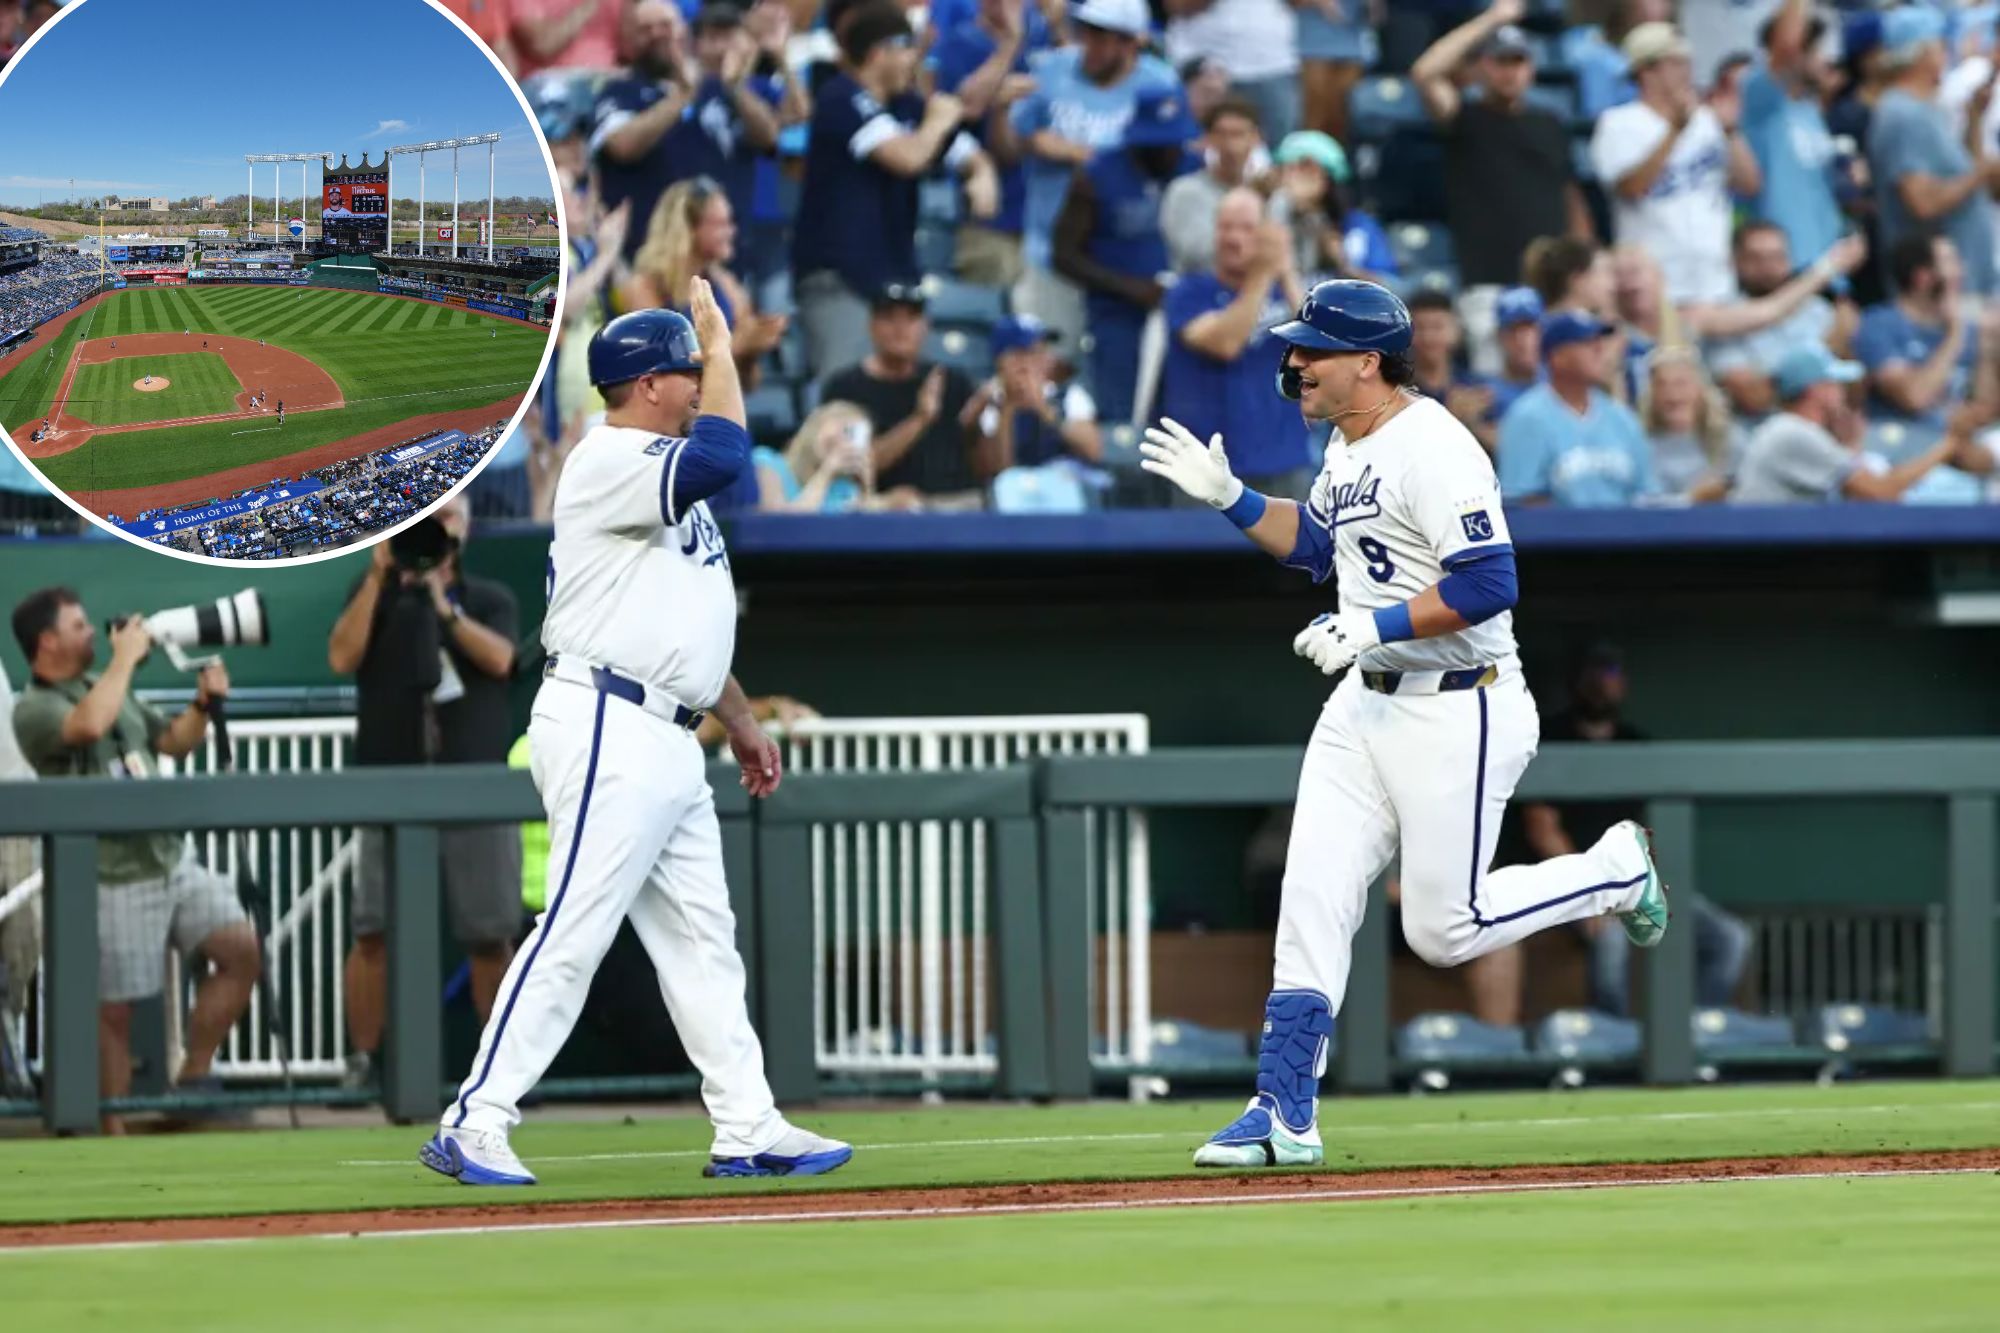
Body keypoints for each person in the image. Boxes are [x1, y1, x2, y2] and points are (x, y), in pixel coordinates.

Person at [1137, 279, 1666, 1169]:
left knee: (1442, 929)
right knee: (1311, 895)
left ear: (1369, 362)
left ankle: (1614, 870)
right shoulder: (1346, 445)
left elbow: (1491, 582)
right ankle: (1282, 1112)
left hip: (1464, 703)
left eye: (1313, 349)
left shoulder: (1434, 446)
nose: (1295, 361)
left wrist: (1372, 624)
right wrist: (1230, 495)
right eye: (1296, 345)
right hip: (1364, 704)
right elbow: (1317, 546)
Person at [422, 291, 851, 1185]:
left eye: (704, 367)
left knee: (704, 940)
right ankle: (477, 1116)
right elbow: (728, 455)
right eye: (689, 369)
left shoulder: (658, 466)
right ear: (647, 383)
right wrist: (729, 343)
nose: (701, 382)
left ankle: (747, 1122)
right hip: (606, 718)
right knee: (574, 932)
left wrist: (735, 715)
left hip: (665, 726)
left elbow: (682, 623)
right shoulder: (608, 456)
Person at [9, 588, 262, 1136]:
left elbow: (171, 742)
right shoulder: (34, 707)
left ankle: (192, 1082)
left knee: (241, 948)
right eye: (78, 626)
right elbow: (86, 728)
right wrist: (125, 658)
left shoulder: (110, 688)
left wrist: (200, 706)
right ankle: (113, 1131)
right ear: (47, 641)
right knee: (115, 1012)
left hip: (170, 860)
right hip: (110, 876)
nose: (94, 633)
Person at [327, 496, 523, 1090]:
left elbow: (503, 660)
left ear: (465, 529)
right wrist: (380, 573)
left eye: (447, 519)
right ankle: (362, 1064)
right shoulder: (374, 593)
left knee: (490, 931)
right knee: (371, 929)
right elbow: (341, 657)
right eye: (425, 521)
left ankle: (502, 1072)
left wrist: (441, 603)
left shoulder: (489, 597)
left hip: (473, 780)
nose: (436, 531)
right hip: (390, 777)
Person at [1513, 643, 1751, 1018]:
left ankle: (1698, 1032)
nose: (1600, 685)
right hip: (1574, 882)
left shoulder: (1635, 744)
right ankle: (1618, 1044)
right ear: (1575, 682)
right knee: (1610, 940)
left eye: (1609, 675)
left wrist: (1650, 884)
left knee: (1730, 937)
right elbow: (1541, 827)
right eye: (1591, 675)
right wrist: (1589, 887)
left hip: (1631, 879)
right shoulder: (1550, 738)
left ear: (1623, 684)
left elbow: (1653, 828)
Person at [792, 2, 999, 379]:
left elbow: (968, 154)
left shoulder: (905, 104)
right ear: (878, 53)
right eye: (908, 50)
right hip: (839, 281)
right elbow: (907, 157)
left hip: (892, 286)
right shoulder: (840, 97)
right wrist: (937, 122)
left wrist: (981, 175)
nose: (914, 61)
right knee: (847, 396)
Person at [1413, 2, 1591, 374]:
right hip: (1490, 286)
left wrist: (1585, 267)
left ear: (1531, 68)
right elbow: (1424, 72)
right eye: (1500, 61)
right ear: (1483, 67)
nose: (1510, 72)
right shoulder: (1466, 118)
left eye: (1518, 61)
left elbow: (1569, 194)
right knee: (1497, 389)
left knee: (1567, 383)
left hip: (1553, 288)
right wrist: (1492, 19)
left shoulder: (1550, 123)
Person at [993, 0, 1175, 353]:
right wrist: (1004, 115)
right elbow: (1008, 150)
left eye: (1102, 35)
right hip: (1050, 250)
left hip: (1126, 261)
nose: (1090, 43)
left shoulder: (1158, 83)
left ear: (1130, 42)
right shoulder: (1053, 69)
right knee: (1049, 365)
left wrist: (1080, 153)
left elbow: (1168, 162)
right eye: (1086, 32)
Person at [592, 2, 800, 267]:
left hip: (722, 256)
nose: (657, 34)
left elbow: (769, 136)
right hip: (649, 258)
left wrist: (735, 88)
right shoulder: (620, 91)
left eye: (665, 25)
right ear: (628, 40)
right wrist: (683, 96)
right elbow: (623, 145)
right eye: (645, 29)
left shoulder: (718, 87)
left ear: (683, 32)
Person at [1053, 82, 1198, 423]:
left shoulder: (1196, 169)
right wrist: (1132, 288)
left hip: (1187, 317)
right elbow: (1064, 255)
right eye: (1158, 144)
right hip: (1117, 317)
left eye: (1174, 143)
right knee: (1124, 417)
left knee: (1183, 421)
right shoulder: (1096, 175)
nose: (1168, 153)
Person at [1590, 21, 1761, 308]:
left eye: (1686, 62)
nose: (1686, 71)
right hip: (1655, 284)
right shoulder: (1618, 123)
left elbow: (1750, 184)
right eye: (1675, 63)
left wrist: (1730, 132)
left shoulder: (1708, 120)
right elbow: (1632, 187)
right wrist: (1674, 131)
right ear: (1646, 71)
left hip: (1716, 279)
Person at [1158, 188, 1311, 498]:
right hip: (1205, 470)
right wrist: (1263, 276)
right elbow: (1225, 344)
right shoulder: (1188, 292)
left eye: (1246, 228)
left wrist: (1287, 271)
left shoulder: (1289, 294)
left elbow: (1325, 348)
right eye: (1225, 227)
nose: (1232, 238)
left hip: (1285, 463)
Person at [1731, 342, 1993, 503]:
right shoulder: (1793, 433)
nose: (1844, 394)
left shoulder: (1788, 430)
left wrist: (1853, 445)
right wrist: (1950, 444)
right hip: (1761, 568)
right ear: (1817, 391)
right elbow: (1882, 493)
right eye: (1835, 385)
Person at [1868, 5, 2000, 296]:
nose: (1946, 53)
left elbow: (1961, 170)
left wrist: (1975, 119)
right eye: (1941, 45)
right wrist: (1984, 171)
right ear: (1924, 53)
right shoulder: (1900, 113)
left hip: (1969, 281)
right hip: (1936, 296)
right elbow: (1922, 202)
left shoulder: (1926, 108)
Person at [818, 283, 983, 498]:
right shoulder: (845, 388)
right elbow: (854, 467)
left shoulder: (952, 382)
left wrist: (979, 427)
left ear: (925, 326)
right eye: (889, 318)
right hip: (880, 510)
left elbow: (986, 467)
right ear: (872, 326)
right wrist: (920, 419)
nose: (900, 328)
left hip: (955, 508)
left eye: (911, 319)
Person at [620, 178, 786, 383]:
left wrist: (751, 351)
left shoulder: (727, 286)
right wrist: (736, 347)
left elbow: (749, 383)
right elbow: (662, 369)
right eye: (720, 224)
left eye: (730, 222)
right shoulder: (644, 287)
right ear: (688, 229)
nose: (731, 232)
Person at [1497, 312, 1656, 507]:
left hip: (1628, 535)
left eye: (1600, 342)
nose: (1599, 350)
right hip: (1557, 536)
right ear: (1558, 357)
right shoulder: (1527, 417)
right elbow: (1519, 502)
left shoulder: (1622, 418)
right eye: (1587, 343)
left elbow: (1648, 497)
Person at [1740, 0, 1842, 272]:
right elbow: (1786, 47)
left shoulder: (1809, 110)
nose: (1825, 60)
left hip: (1827, 260)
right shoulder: (1759, 100)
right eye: (1817, 50)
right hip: (1783, 264)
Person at [971, 313, 1102, 476]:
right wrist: (1007, 410)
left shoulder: (1069, 395)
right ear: (1005, 360)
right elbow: (998, 472)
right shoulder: (991, 400)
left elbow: (1093, 451)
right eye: (1032, 352)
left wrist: (1044, 409)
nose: (1044, 358)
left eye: (1044, 350)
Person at [1159, 0, 1301, 145]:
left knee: (1279, 153)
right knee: (1202, 153)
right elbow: (1177, 5)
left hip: (1272, 63)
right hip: (1205, 65)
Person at [1270, 130, 1396, 289]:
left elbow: (1390, 289)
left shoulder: (1357, 226)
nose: (1294, 178)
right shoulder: (1267, 215)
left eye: (1306, 169)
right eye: (1288, 169)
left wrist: (1343, 264)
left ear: (1330, 178)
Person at [1160, 96, 1264, 274]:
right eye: (1221, 134)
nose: (1230, 146)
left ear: (1255, 139)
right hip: (1199, 291)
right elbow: (1195, 254)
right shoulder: (1184, 191)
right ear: (1207, 139)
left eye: (1238, 134)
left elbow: (1294, 256)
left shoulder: (1269, 193)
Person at [752, 400, 894, 512]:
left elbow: (866, 535)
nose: (842, 441)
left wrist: (866, 489)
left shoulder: (844, 487)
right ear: (816, 425)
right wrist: (826, 472)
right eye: (844, 428)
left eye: (853, 436)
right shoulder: (767, 462)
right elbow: (782, 527)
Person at [1639, 345, 1737, 502]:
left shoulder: (1732, 441)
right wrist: (1692, 499)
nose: (1672, 394)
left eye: (1681, 383)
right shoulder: (1639, 446)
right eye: (1661, 385)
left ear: (1700, 389)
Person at [1405, 289, 1494, 451]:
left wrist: (1474, 424)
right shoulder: (1395, 390)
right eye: (1420, 328)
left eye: (1437, 327)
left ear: (1456, 332)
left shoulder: (1476, 387)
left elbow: (1505, 445)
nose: (1428, 338)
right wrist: (1450, 417)